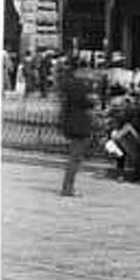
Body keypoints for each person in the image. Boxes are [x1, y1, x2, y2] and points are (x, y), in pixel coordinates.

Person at [59, 55, 95, 197]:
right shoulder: (79, 86)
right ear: (79, 70)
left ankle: (68, 187)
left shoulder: (66, 84)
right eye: (85, 69)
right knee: (75, 159)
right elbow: (87, 102)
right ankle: (67, 188)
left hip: (70, 123)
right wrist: (92, 100)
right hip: (79, 125)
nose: (87, 72)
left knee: (74, 158)